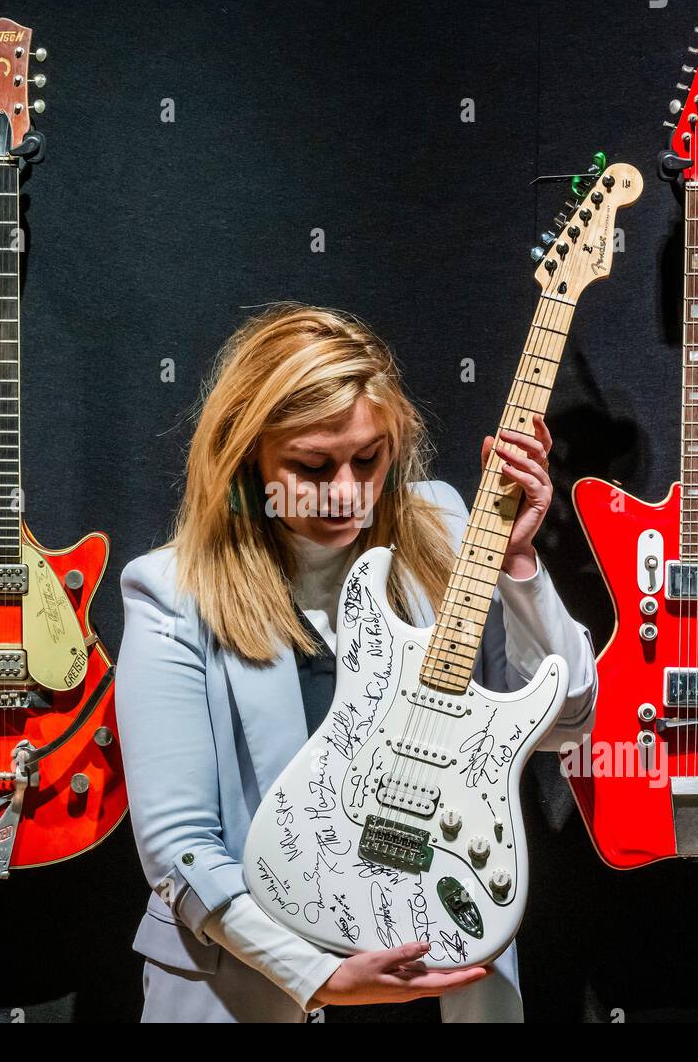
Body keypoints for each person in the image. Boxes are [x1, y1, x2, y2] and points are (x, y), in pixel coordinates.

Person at [115, 303, 596, 1022]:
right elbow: (178, 847)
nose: (346, 490)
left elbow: (566, 721)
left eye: (368, 460)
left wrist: (519, 563)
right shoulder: (173, 591)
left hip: (448, 987)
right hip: (257, 989)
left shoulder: (443, 530)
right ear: (248, 458)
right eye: (311, 466)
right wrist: (319, 977)